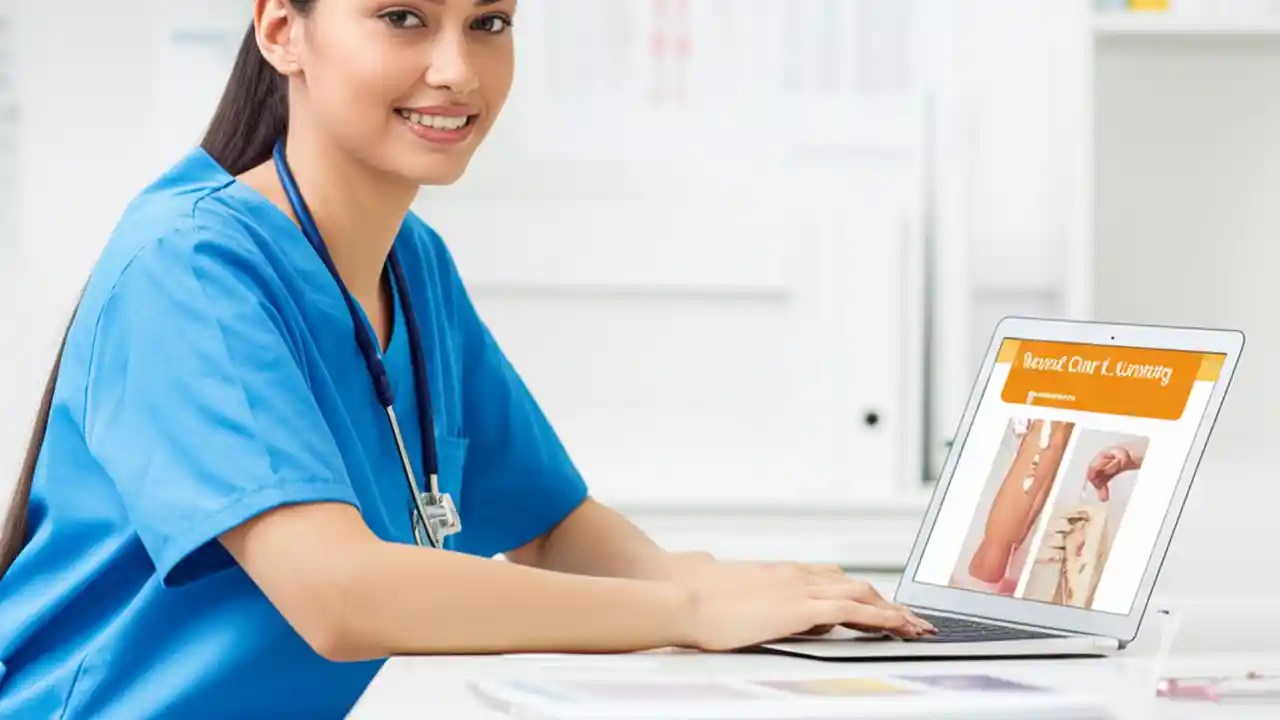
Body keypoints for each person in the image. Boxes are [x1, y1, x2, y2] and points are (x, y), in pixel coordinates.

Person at [0, 1, 933, 716]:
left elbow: (553, 526)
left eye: (488, 22)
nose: (456, 68)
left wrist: (735, 589)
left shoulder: (412, 266)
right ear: (283, 29)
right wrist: (688, 608)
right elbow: (340, 595)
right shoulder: (191, 267)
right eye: (403, 17)